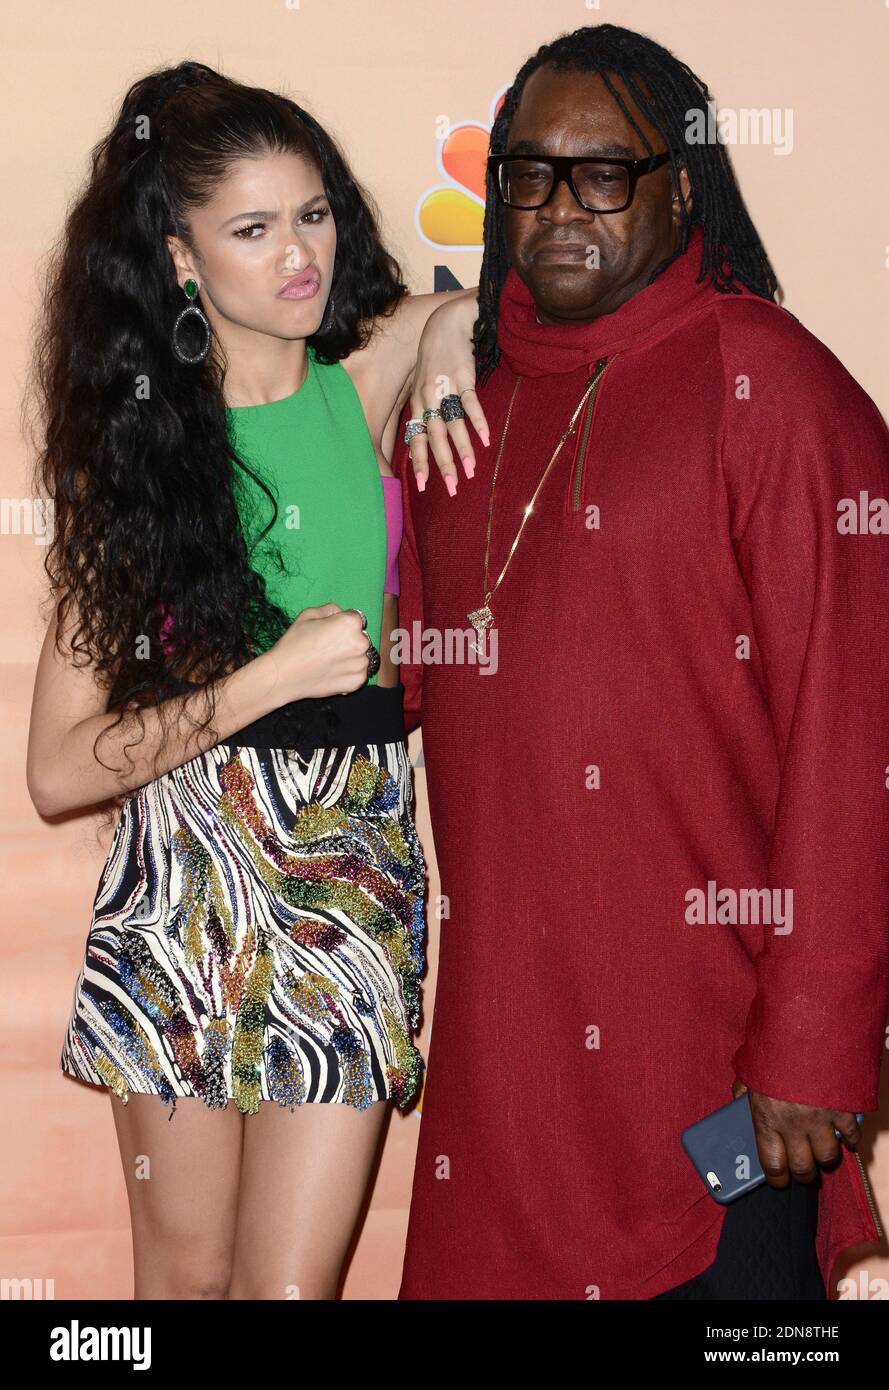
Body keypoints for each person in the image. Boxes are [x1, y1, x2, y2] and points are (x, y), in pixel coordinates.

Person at [394, 23, 889, 1300]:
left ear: (684, 187)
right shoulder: (458, 412)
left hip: (727, 1102)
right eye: (528, 174)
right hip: (504, 1100)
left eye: (605, 173)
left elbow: (854, 743)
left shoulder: (771, 388)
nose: (561, 207)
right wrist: (440, 323)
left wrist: (816, 1045)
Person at [25, 60, 478, 1301]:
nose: (299, 255)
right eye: (253, 229)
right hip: (183, 875)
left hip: (351, 869)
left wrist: (448, 328)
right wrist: (262, 681)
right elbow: (59, 769)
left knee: (288, 1292)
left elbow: (470, 310)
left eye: (314, 214)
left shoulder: (360, 381)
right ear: (180, 258)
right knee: (188, 1277)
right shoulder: (135, 461)